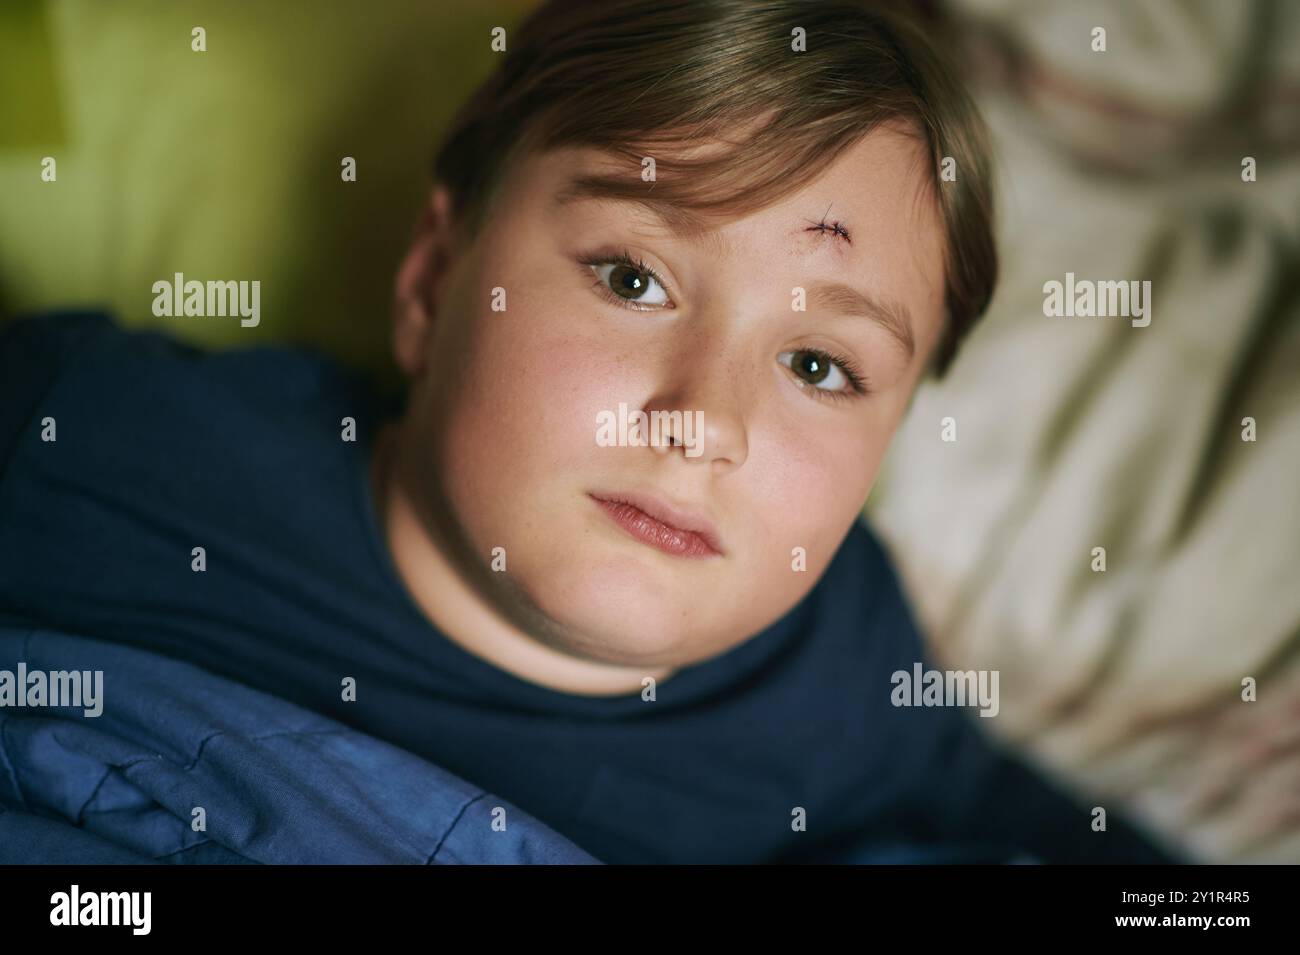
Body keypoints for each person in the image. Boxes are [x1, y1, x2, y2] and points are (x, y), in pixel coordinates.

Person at [0, 0, 1186, 864]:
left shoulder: (839, 670)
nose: (702, 421)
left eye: (819, 364)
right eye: (631, 280)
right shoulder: (97, 442)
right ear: (429, 281)